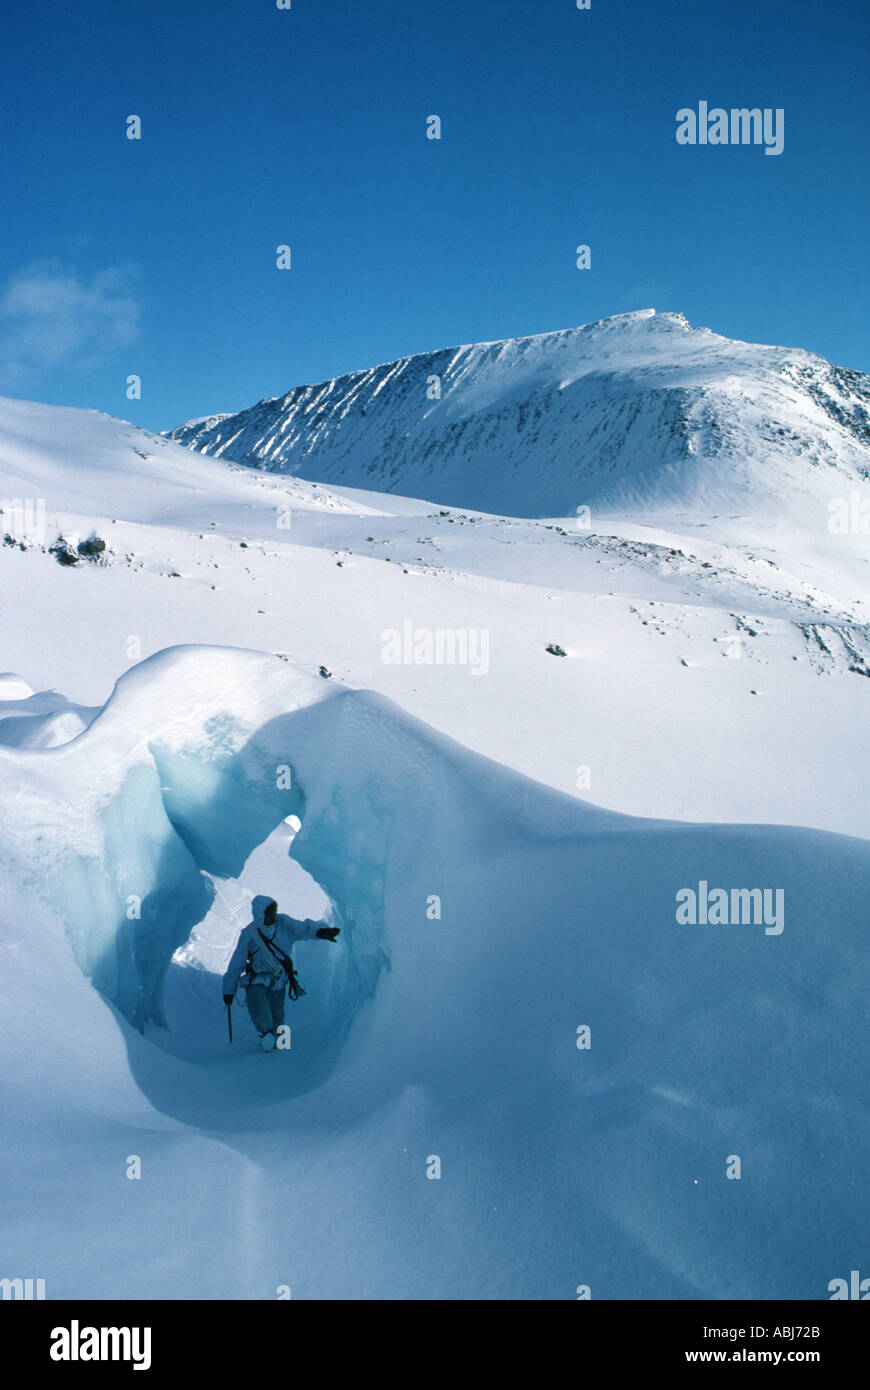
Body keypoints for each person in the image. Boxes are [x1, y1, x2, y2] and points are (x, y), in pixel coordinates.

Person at [222, 894, 340, 1051]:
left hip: (279, 976)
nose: (273, 915)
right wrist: (228, 990)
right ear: (260, 913)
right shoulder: (249, 933)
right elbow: (237, 964)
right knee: (255, 1001)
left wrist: (321, 932)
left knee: (277, 1012)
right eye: (270, 912)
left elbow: (303, 929)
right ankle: (267, 1034)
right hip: (258, 976)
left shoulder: (283, 923)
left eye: (274, 911)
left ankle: (282, 1045)